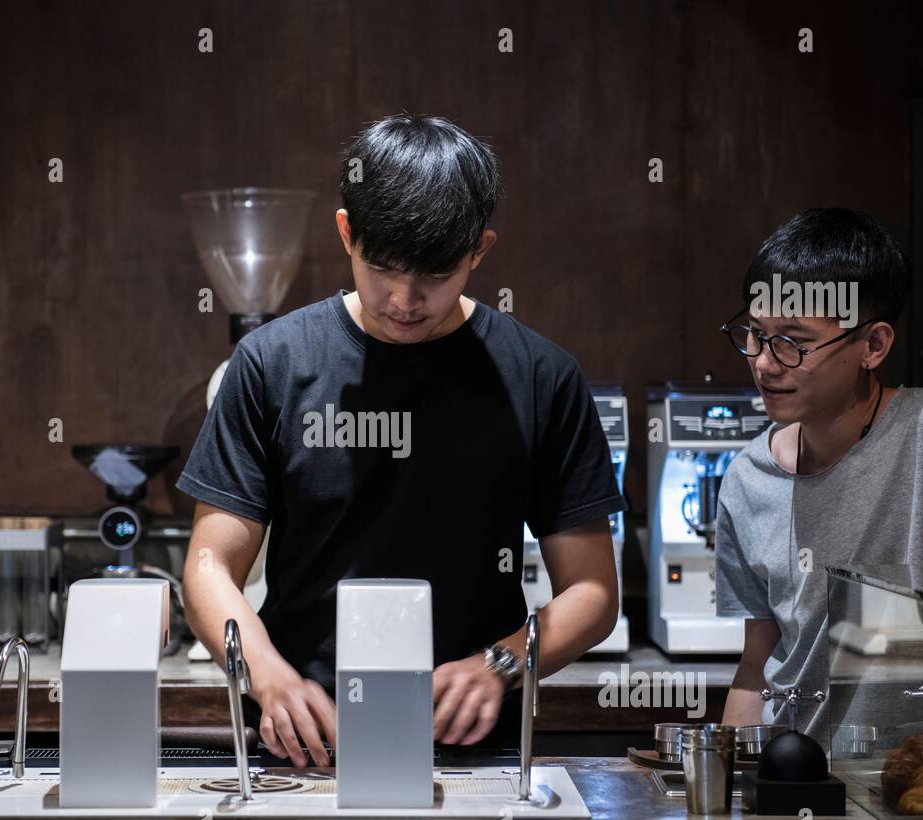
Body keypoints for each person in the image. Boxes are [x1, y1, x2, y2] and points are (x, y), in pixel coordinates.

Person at [178, 114, 624, 767]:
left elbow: (592, 593)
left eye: (435, 276)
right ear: (345, 233)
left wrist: (498, 664)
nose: (403, 300)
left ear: (479, 250)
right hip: (301, 735)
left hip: (471, 738)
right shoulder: (272, 364)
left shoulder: (540, 377)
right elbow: (209, 567)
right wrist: (267, 674)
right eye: (381, 268)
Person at [716, 208, 923, 745]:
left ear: (873, 346)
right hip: (796, 776)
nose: (763, 363)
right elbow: (758, 658)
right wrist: (733, 776)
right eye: (754, 334)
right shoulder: (745, 477)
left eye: (792, 341)